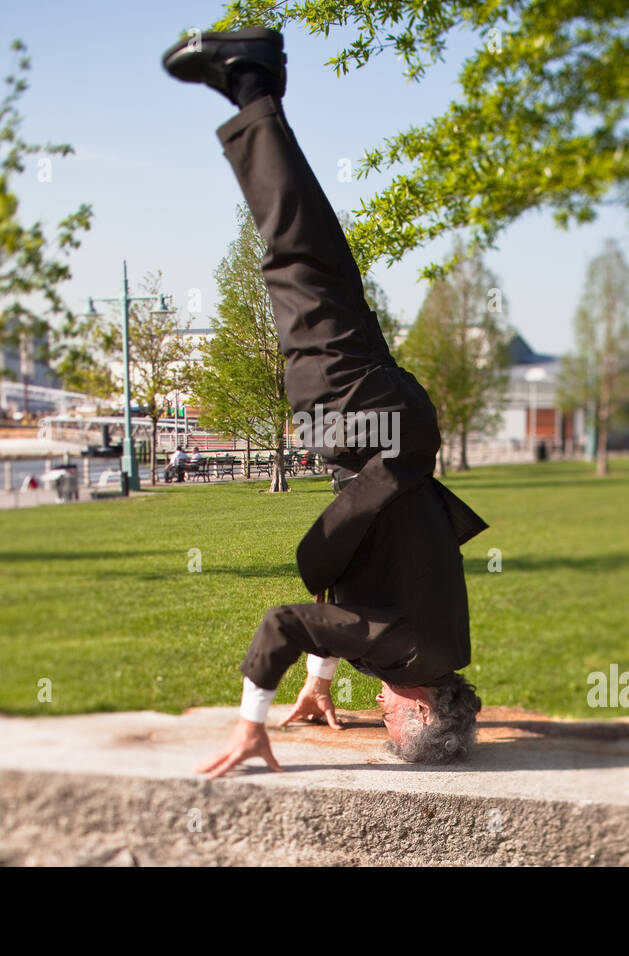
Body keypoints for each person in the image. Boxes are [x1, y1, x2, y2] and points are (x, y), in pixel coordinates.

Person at [163, 27, 487, 779]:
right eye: (391, 723)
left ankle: (251, 91)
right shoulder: (405, 652)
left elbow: (369, 609)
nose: (381, 715)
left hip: (390, 426)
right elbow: (287, 622)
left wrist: (317, 680)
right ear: (420, 708)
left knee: (314, 262)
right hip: (359, 422)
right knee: (295, 257)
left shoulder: (442, 652)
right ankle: (251, 79)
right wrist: (253, 721)